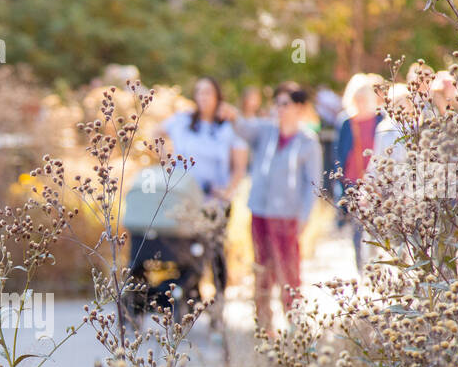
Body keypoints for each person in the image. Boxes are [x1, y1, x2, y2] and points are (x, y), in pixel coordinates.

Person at [221, 82, 322, 332]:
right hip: (260, 212)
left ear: (299, 107)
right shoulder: (265, 132)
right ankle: (264, 327)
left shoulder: (308, 142)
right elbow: (243, 128)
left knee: (288, 273)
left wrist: (305, 218)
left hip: (287, 216)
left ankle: (294, 326)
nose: (279, 108)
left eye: (285, 103)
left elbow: (313, 185)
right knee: (261, 270)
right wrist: (233, 114)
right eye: (276, 103)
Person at [159, 77, 249, 294]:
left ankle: (218, 304)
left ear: (218, 96)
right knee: (186, 251)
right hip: (187, 198)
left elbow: (239, 166)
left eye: (208, 92)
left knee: (215, 251)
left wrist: (227, 190)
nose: (204, 97)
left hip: (216, 201)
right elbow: (156, 134)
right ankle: (190, 300)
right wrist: (168, 165)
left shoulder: (228, 127)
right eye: (199, 92)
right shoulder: (183, 122)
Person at [333, 73, 385, 268]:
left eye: (365, 98)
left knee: (380, 228)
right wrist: (341, 185)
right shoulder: (346, 123)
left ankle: (381, 269)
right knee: (358, 230)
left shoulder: (380, 120)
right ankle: (363, 270)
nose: (361, 102)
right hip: (354, 183)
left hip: (377, 183)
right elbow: (338, 156)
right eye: (358, 98)